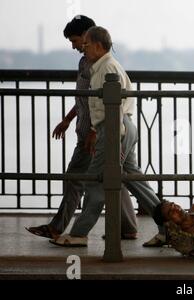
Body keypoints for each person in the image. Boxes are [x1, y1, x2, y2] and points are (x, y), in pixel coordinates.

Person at [50, 26, 165, 247]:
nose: (83, 49)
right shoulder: (104, 66)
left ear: (99, 46)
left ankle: (79, 234)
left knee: (95, 181)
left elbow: (113, 107)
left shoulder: (107, 68)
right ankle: (166, 227)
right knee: (136, 182)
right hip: (123, 127)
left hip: (114, 129)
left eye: (86, 45)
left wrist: (108, 138)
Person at [26, 15, 138, 241]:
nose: (75, 46)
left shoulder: (100, 65)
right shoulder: (87, 62)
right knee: (120, 176)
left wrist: (94, 133)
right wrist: (68, 119)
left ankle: (65, 229)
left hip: (94, 132)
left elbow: (101, 101)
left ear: (90, 38)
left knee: (78, 178)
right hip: (92, 129)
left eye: (77, 41)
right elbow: (85, 98)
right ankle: (129, 227)